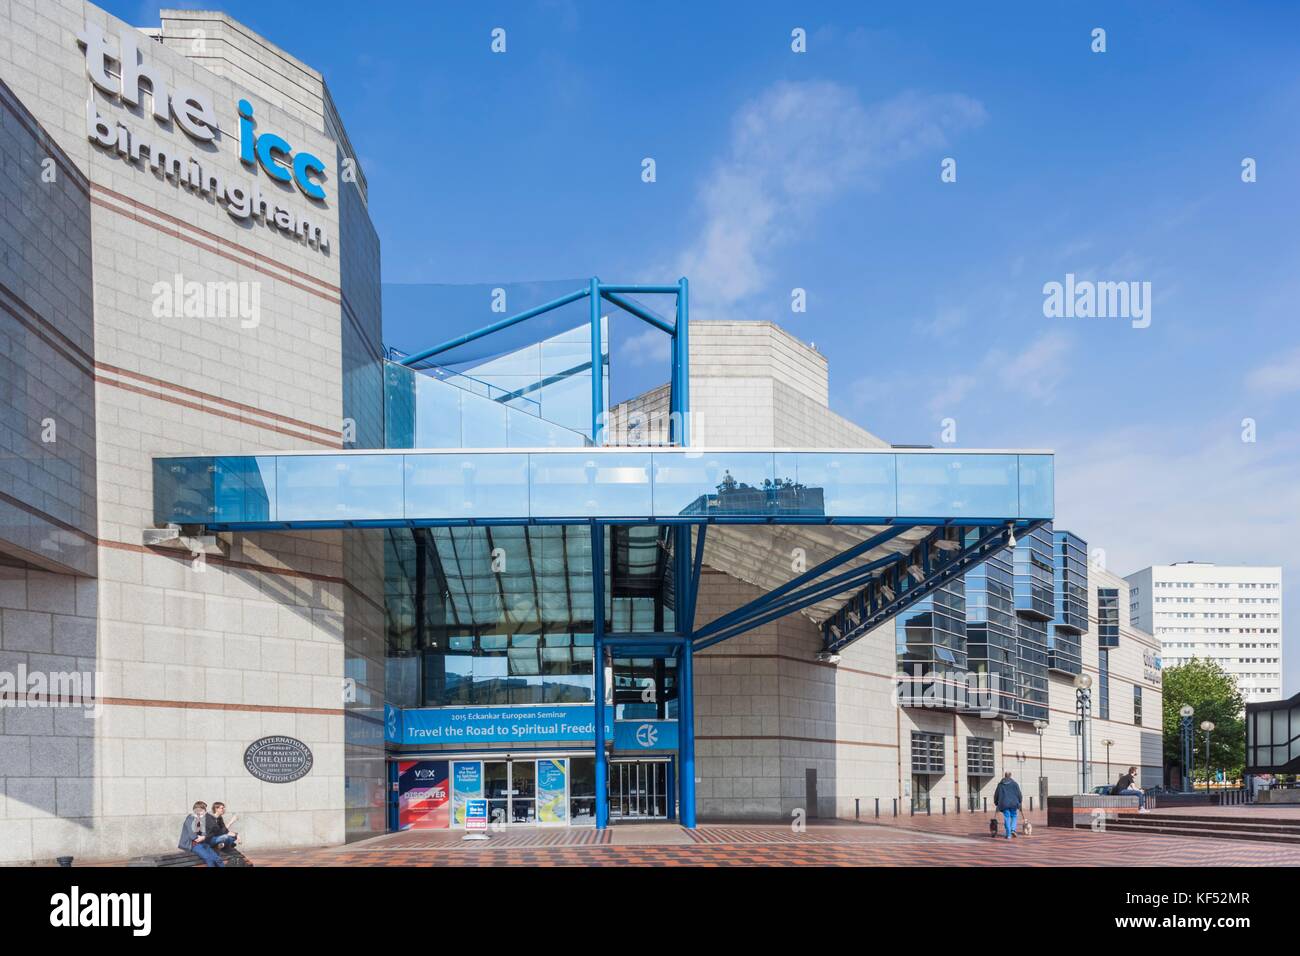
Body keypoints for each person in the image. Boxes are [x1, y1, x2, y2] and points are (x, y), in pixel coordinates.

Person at [178, 801, 224, 866]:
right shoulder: (190, 819)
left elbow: (204, 833)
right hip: (193, 844)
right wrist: (201, 837)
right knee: (209, 859)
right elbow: (193, 836)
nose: (205, 812)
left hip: (202, 842)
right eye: (203, 810)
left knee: (217, 859)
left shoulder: (201, 819)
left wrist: (203, 837)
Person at [993, 771, 1022, 839]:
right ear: (1010, 776)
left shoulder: (1000, 784)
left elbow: (996, 794)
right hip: (1014, 803)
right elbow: (1019, 794)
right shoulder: (1015, 784)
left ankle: (1008, 834)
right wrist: (1020, 801)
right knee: (1014, 816)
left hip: (1004, 803)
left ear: (1005, 776)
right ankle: (1013, 829)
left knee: (1007, 817)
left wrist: (996, 802)